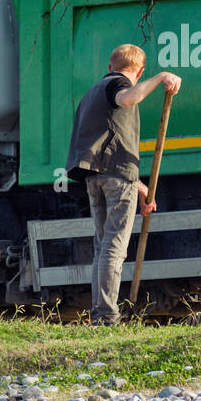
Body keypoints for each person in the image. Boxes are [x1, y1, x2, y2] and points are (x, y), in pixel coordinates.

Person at [65, 44, 181, 324]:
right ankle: (106, 316)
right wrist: (161, 77)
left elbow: (109, 144)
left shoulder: (92, 92)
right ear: (140, 72)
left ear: (109, 65)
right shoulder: (118, 85)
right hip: (115, 177)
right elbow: (128, 99)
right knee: (114, 247)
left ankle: (100, 313)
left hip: (97, 176)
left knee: (103, 247)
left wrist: (139, 187)